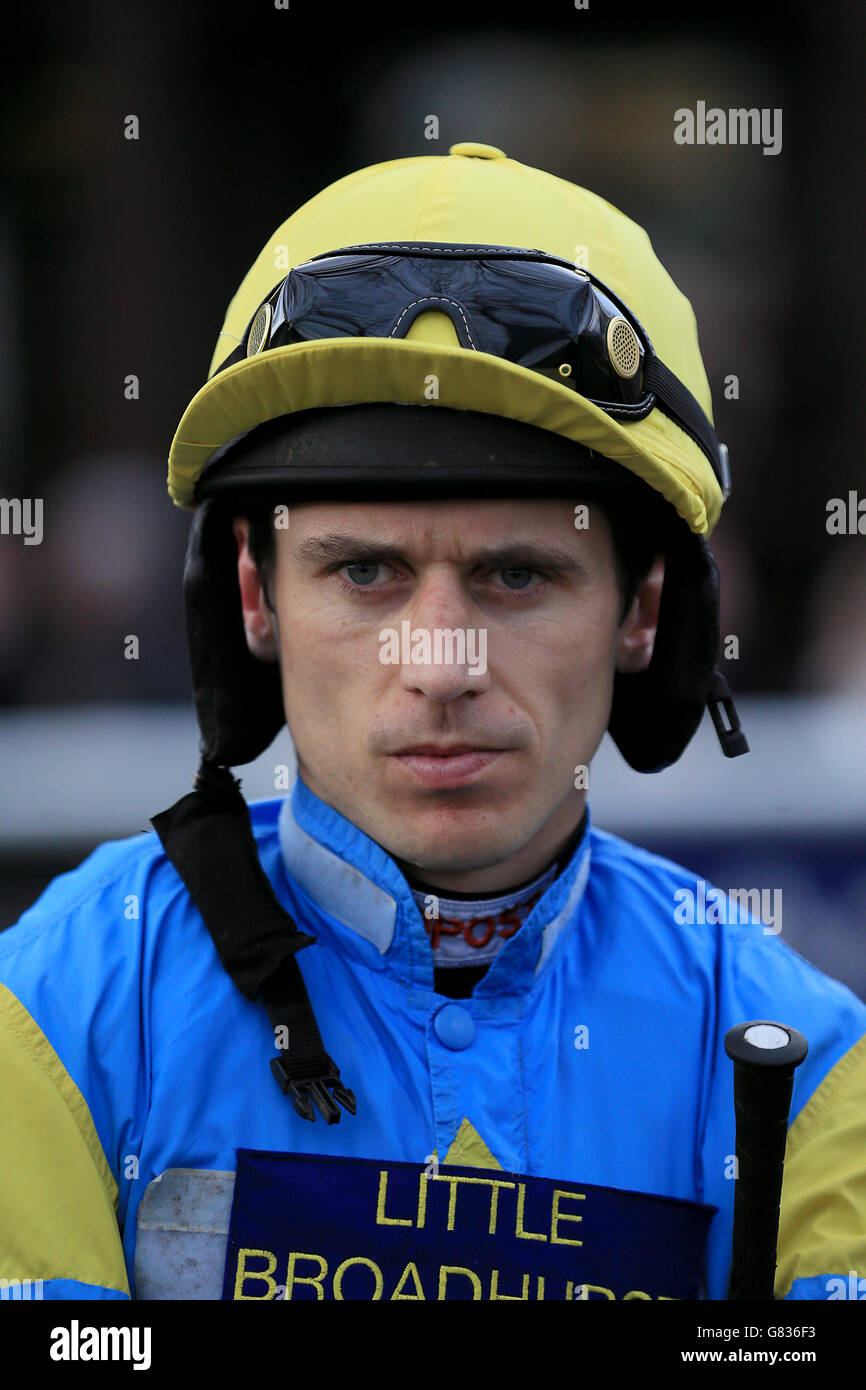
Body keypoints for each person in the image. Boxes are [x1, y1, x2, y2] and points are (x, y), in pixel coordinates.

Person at [1, 142, 863, 1303]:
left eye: (516, 576)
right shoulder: (50, 1011)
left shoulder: (811, 1064)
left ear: (642, 608)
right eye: (363, 573)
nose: (441, 662)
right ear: (255, 599)